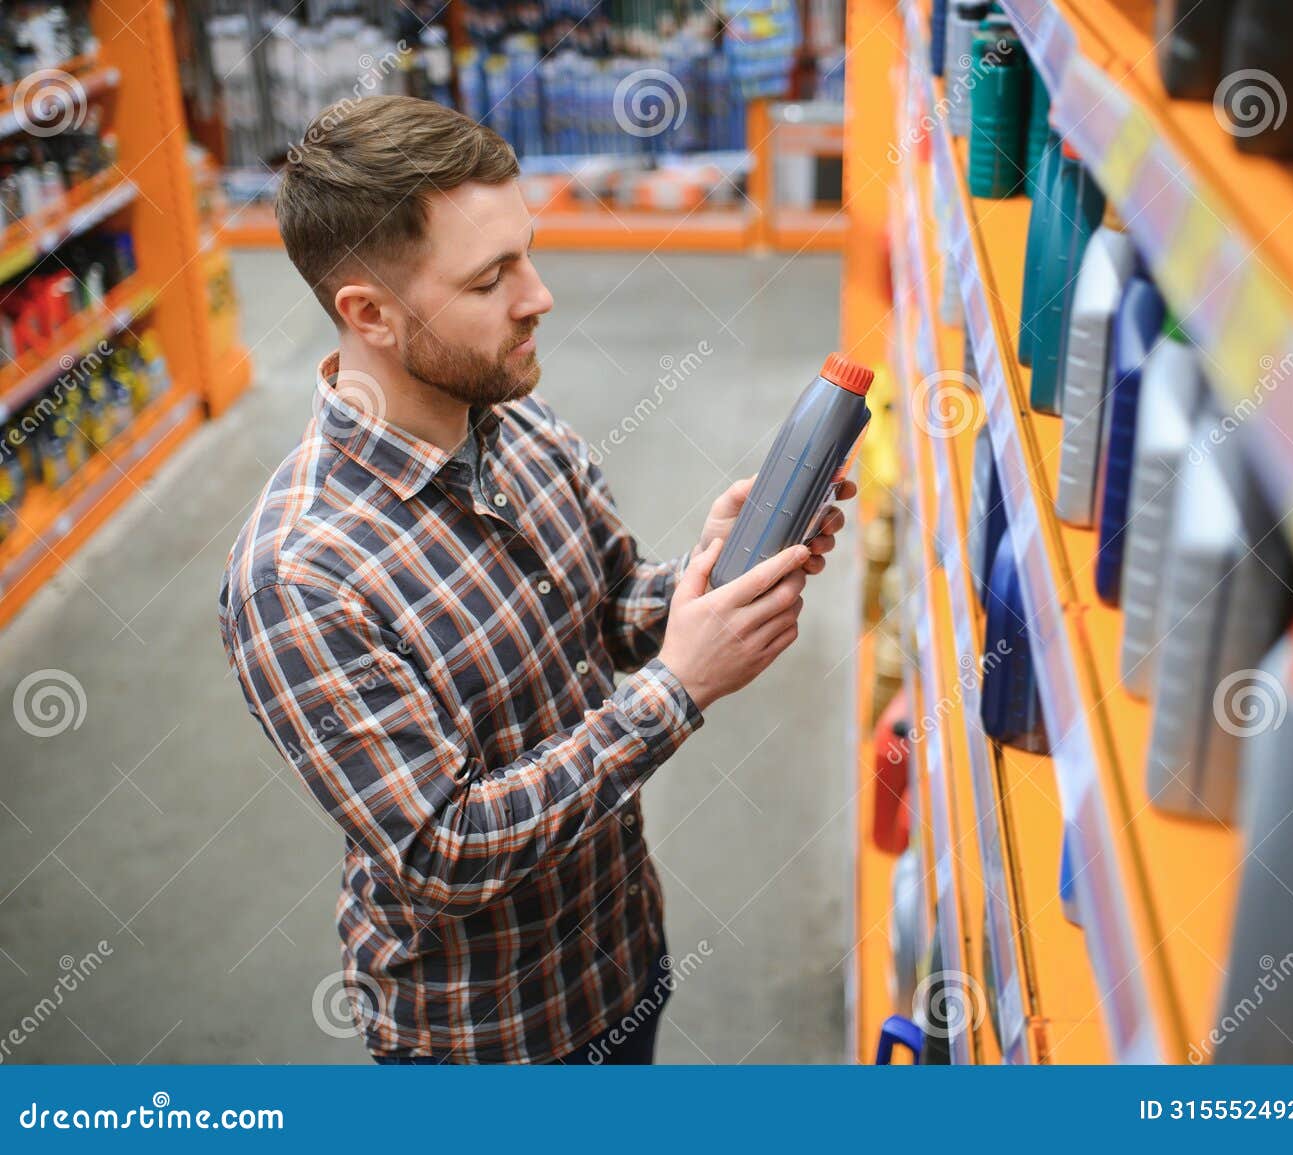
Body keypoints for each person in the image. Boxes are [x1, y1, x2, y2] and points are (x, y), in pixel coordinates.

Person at [217, 95, 850, 1064]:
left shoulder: (517, 424)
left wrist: (713, 577)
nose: (539, 296)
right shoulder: (300, 580)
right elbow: (443, 851)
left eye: (527, 252)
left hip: (618, 955)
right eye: (489, 279)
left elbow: (606, 608)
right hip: (488, 1040)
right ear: (369, 314)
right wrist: (678, 688)